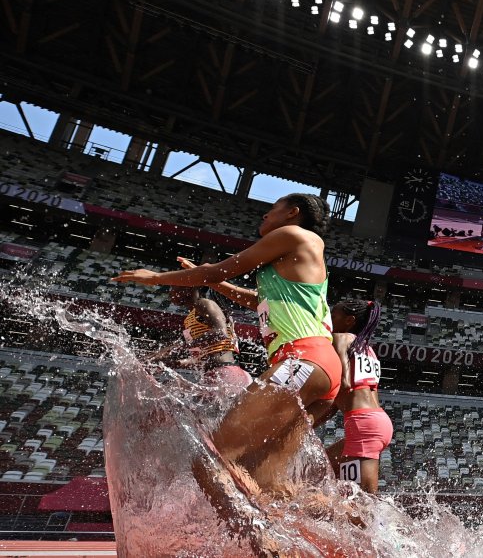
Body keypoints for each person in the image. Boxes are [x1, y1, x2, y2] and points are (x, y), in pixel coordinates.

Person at [113, 193, 339, 496]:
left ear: (292, 213)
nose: (265, 215)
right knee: (266, 485)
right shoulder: (300, 255)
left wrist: (155, 277)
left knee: (212, 460)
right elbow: (255, 299)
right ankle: (345, 517)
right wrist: (211, 280)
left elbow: (219, 269)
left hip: (302, 360)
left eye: (272, 208)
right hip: (321, 369)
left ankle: (257, 529)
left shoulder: (292, 234)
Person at [319, 299, 393, 493]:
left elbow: (343, 383)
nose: (329, 319)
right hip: (376, 421)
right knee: (319, 469)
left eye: (333, 315)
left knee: (361, 501)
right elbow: (337, 403)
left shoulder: (340, 338)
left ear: (349, 320)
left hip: (363, 427)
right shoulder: (367, 349)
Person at [148, 286, 252, 390]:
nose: (170, 293)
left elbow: (220, 332)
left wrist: (179, 348)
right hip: (217, 374)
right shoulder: (188, 321)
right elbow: (199, 358)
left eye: (173, 287)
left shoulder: (204, 303)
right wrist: (175, 363)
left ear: (189, 287)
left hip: (226, 372)